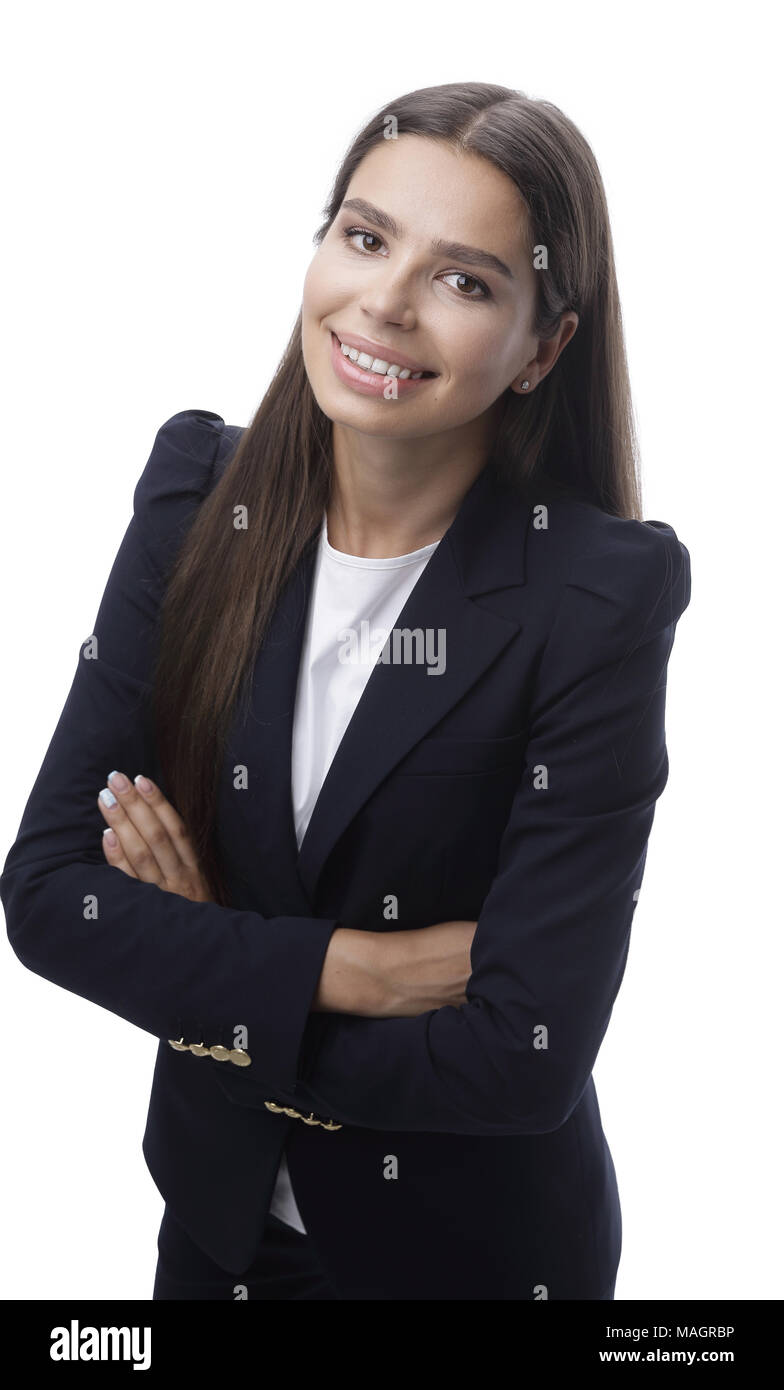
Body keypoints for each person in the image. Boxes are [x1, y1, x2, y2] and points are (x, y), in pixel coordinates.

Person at [1, 81, 691, 1300]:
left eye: (466, 280)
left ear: (544, 347)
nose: (385, 300)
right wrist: (357, 971)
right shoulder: (197, 499)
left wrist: (208, 967)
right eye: (365, 237)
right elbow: (52, 894)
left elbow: (518, 1060)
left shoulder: (596, 596)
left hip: (469, 1266)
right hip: (214, 1239)